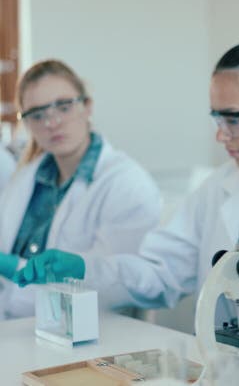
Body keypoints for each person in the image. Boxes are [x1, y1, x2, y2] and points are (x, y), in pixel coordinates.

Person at [15, 2, 239, 355]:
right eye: (216, 119)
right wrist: (84, 267)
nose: (220, 136)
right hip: (220, 368)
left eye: (233, 119)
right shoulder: (216, 190)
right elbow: (160, 273)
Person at [0, 59, 161, 319]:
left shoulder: (126, 183)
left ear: (87, 107)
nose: (52, 122)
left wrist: (11, 267)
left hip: (86, 333)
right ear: (27, 124)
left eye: (63, 107)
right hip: (16, 329)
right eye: (37, 114)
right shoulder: (26, 177)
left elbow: (113, 285)